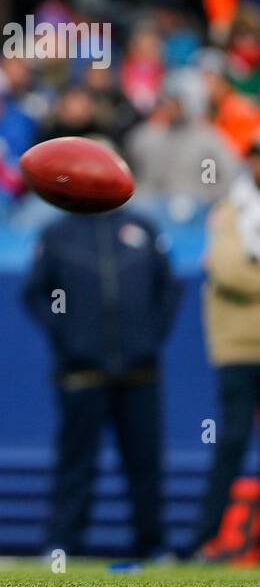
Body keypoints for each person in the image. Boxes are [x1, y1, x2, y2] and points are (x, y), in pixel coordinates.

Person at [22, 204, 182, 559]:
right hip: (82, 370)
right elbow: (36, 293)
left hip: (140, 370)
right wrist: (68, 335)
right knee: (76, 462)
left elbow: (170, 288)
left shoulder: (143, 228)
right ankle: (63, 543)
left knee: (144, 462)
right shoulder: (58, 233)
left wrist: (148, 338)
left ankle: (152, 544)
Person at [189, 134, 260, 558]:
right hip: (237, 348)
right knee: (230, 444)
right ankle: (205, 537)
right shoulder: (230, 211)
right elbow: (229, 272)